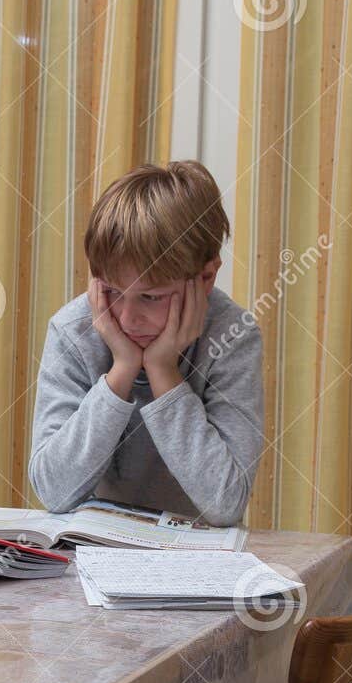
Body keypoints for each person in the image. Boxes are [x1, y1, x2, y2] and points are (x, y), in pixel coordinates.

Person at [28, 160, 263, 526]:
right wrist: (121, 371)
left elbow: (225, 503)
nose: (126, 318)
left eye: (151, 297)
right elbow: (53, 491)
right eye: (112, 291)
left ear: (206, 277)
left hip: (200, 562)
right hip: (94, 557)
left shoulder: (232, 336)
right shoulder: (73, 331)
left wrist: (162, 371)